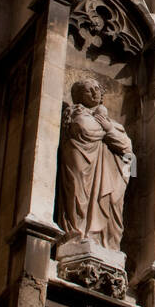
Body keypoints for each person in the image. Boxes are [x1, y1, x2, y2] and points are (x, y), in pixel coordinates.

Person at [58, 80, 134, 252]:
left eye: (97, 89)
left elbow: (129, 150)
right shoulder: (74, 113)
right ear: (78, 96)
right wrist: (106, 128)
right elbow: (85, 130)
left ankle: (108, 245)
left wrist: (108, 128)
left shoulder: (112, 124)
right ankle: (76, 237)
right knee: (78, 197)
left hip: (110, 177)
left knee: (112, 208)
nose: (94, 93)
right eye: (88, 91)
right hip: (83, 165)